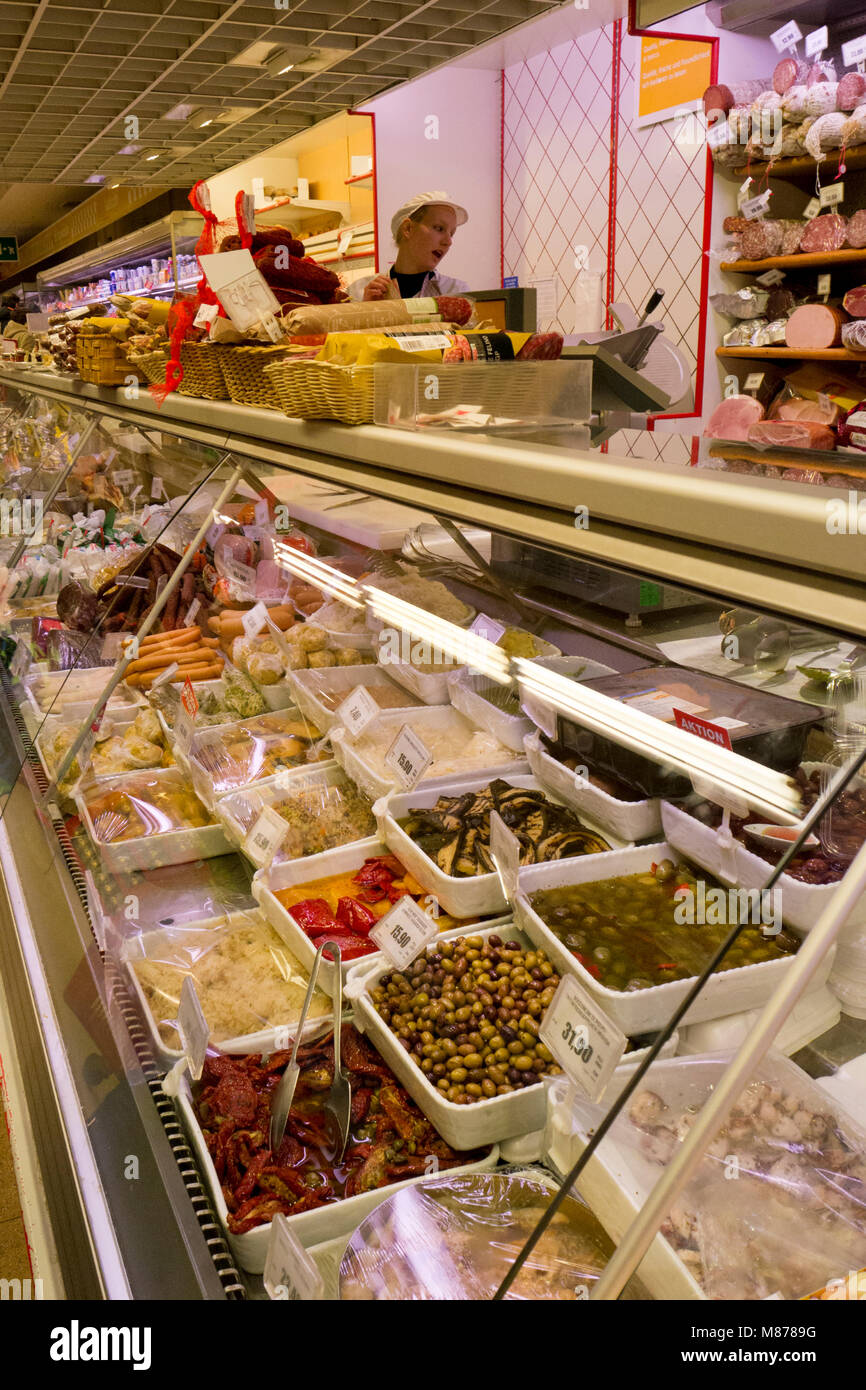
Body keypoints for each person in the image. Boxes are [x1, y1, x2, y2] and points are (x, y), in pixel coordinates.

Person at [349, 192, 470, 302]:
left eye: (452, 233)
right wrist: (366, 311)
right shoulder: (357, 292)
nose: (448, 242)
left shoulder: (456, 293)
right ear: (408, 229)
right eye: (439, 228)